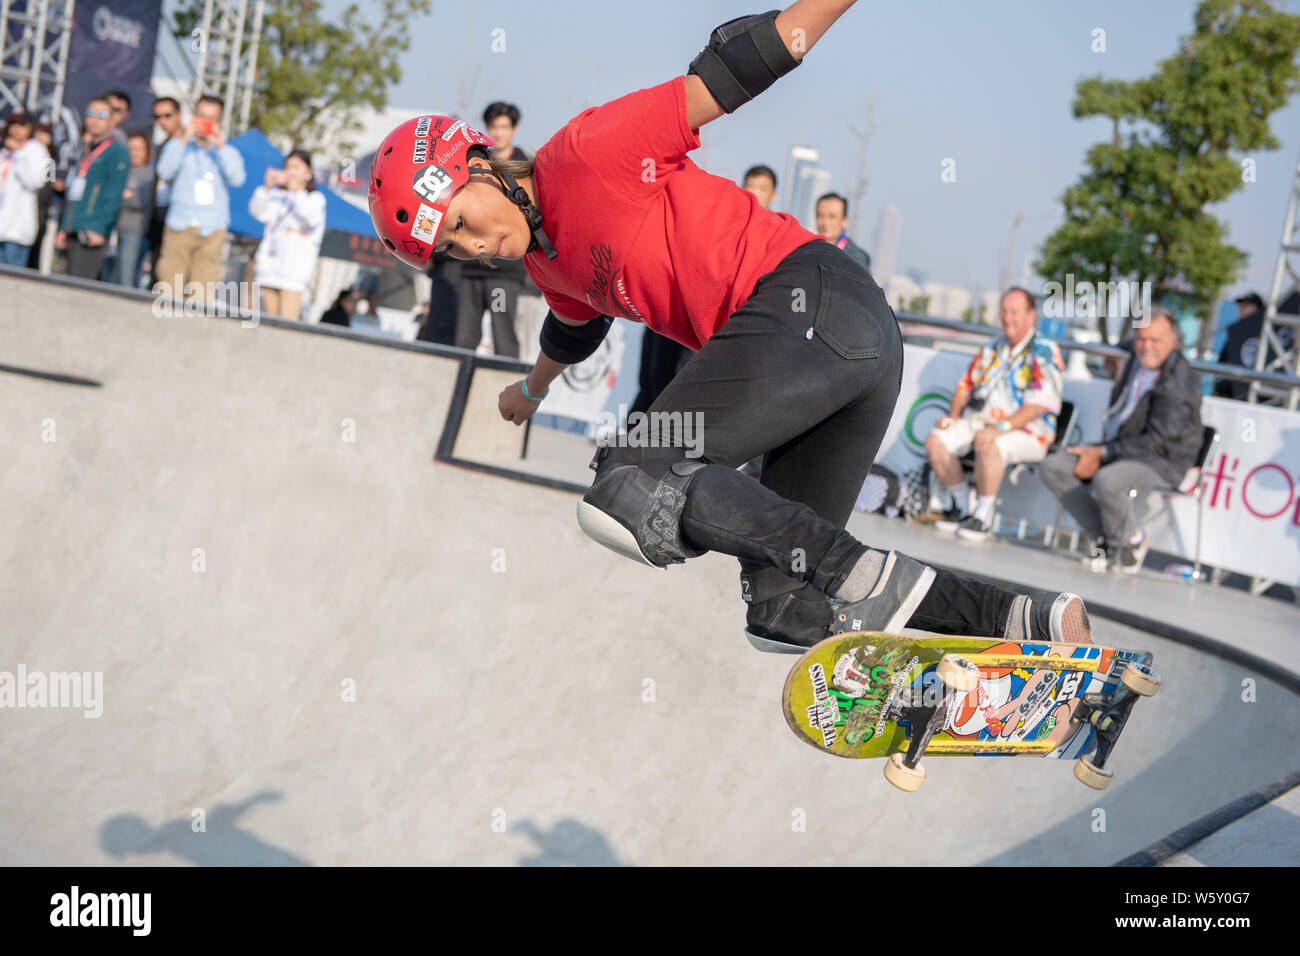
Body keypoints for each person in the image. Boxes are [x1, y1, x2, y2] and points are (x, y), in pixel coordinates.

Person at [368, 0, 1093, 651]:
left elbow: (730, 70)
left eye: (463, 221)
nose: (474, 246)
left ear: (481, 164)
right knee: (786, 609)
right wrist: (531, 391)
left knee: (631, 474)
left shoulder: (587, 155)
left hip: (811, 302)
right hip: (833, 363)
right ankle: (1016, 624)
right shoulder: (547, 266)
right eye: (451, 248)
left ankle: (867, 578)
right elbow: (573, 329)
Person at [1040, 307, 1203, 574]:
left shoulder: (1178, 385)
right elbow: (1126, 345)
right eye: (1142, 339)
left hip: (1163, 460)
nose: (1146, 346)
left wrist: (1102, 453)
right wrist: (1114, 354)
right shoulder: (1136, 354)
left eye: (1155, 341)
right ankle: (1105, 538)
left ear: (1173, 343)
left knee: (1108, 480)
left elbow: (1157, 442)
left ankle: (1129, 544)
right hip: (1123, 448)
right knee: (1054, 467)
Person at [927, 287, 1064, 542]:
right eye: (1004, 311)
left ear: (1030, 315)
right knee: (936, 440)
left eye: (1014, 312)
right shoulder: (991, 347)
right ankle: (963, 507)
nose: (1007, 318)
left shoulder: (1045, 350)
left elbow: (1039, 405)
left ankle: (983, 515)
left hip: (1028, 432)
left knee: (989, 442)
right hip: (978, 422)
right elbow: (964, 386)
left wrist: (999, 428)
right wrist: (953, 417)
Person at [153, 95, 246, 302]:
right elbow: (165, 171)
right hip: (179, 225)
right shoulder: (178, 146)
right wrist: (185, 137)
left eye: (211, 118)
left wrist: (220, 146)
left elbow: (237, 178)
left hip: (212, 228)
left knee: (202, 296)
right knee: (169, 291)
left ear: (219, 121)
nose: (205, 122)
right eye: (201, 116)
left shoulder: (227, 151)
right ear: (193, 116)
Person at [248, 149, 326, 319]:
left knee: (288, 324)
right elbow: (257, 212)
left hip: (294, 272)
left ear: (308, 172)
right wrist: (267, 188)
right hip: (270, 268)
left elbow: (311, 219)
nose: (291, 171)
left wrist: (296, 192)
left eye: (296, 167)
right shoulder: (277, 195)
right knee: (270, 322)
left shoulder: (315, 199)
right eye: (288, 166)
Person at [56, 98, 129, 280]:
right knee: (66, 280)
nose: (95, 119)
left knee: (81, 284)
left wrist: (100, 228)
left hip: (92, 228)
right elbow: (74, 191)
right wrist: (65, 226)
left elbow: (113, 194)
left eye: (102, 115)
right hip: (74, 225)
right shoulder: (85, 149)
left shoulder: (117, 152)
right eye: (91, 114)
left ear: (112, 121)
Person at [1213, 292, 1293, 400]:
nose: (1242, 309)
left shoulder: (1269, 333)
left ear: (1258, 309)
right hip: (1232, 394)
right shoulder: (1235, 334)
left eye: (1247, 305)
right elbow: (1221, 363)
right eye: (1241, 305)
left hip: (1257, 395)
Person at [0, 115, 52, 266]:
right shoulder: (4, 152)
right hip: (2, 225)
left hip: (18, 228)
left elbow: (36, 181)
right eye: (12, 124)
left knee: (13, 278)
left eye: (21, 125)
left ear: (30, 128)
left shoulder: (35, 149)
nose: (15, 129)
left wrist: (19, 153)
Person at [146, 97, 185, 283]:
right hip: (159, 213)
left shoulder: (192, 145)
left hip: (181, 216)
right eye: (158, 116)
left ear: (179, 115)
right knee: (158, 267)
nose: (162, 121)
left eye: (167, 115)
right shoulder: (162, 146)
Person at [110, 130, 154, 287]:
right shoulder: (120, 170)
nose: (134, 153)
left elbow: (139, 201)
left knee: (126, 278)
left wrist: (120, 196)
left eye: (139, 149)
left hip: (134, 232)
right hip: (113, 230)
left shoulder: (149, 174)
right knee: (110, 276)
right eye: (131, 148)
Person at [815, 191, 871, 274]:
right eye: (821, 216)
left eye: (832, 217)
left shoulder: (855, 260)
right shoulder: (811, 251)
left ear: (844, 221)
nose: (825, 223)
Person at [25, 123, 55, 270]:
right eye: (38, 133)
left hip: (42, 208)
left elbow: (50, 182)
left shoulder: (51, 159)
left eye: (45, 134)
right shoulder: (26, 152)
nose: (41, 137)